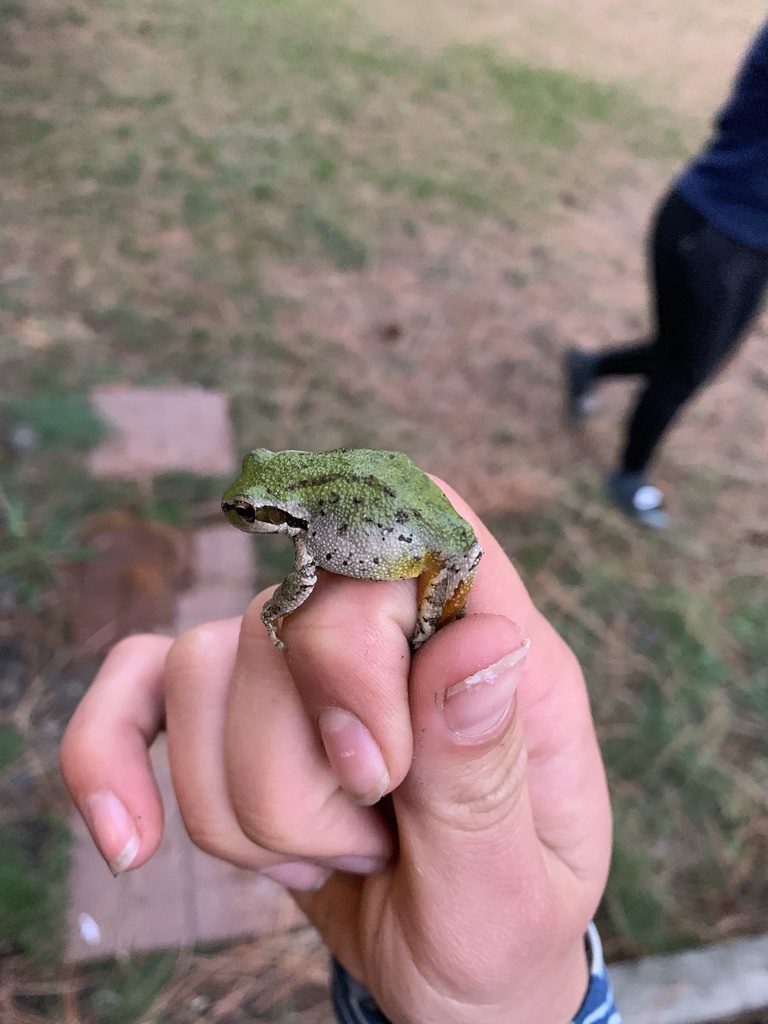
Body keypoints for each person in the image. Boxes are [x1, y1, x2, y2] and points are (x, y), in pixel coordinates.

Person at [60, 479, 619, 1024]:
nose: (244, 518)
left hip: (416, 539)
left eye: (254, 512)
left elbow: (301, 585)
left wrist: (274, 613)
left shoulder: (308, 547)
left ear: (280, 515)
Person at [565, 17, 768, 528]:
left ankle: (589, 367)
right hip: (713, 233)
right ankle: (628, 474)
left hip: (749, 240)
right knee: (685, 369)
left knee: (689, 359)